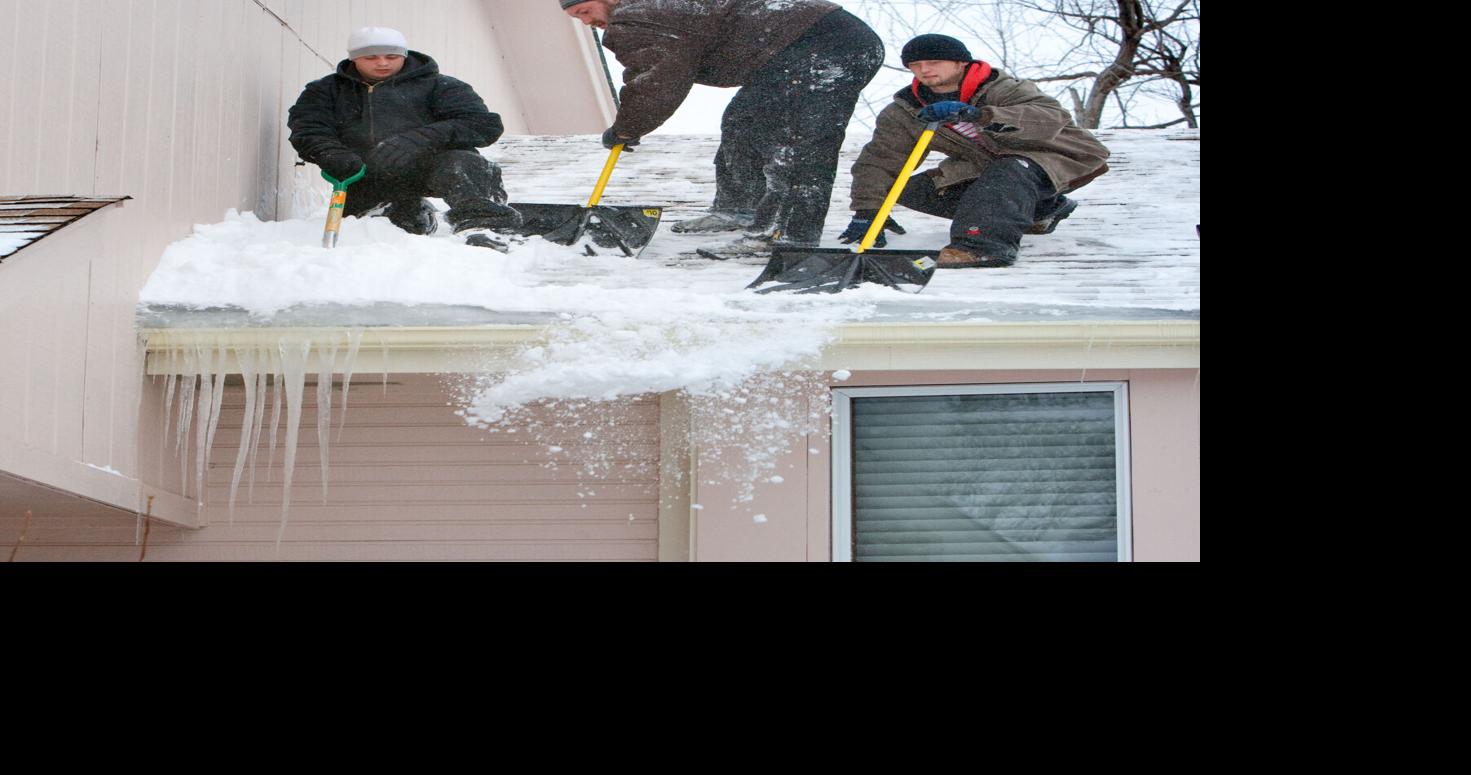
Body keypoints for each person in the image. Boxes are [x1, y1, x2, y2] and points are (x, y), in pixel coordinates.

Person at [562, 0, 884, 258]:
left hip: (825, 44)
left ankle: (781, 234)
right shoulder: (652, 10)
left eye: (585, 11)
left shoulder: (634, 18)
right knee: (743, 120)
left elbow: (656, 81)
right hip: (805, 44)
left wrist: (625, 128)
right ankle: (739, 208)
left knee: (793, 139)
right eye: (578, 18)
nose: (586, 22)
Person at [845, 34, 1111, 268]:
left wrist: (980, 115)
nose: (924, 70)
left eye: (934, 62)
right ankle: (1041, 210)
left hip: (1052, 156)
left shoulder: (1002, 87)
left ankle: (981, 247)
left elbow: (1051, 118)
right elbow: (880, 159)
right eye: (915, 65)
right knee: (909, 189)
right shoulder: (906, 110)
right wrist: (867, 210)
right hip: (986, 166)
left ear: (961, 62)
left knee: (1008, 171)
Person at [287, 27, 522, 249]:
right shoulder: (325, 91)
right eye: (371, 57)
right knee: (375, 230)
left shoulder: (441, 86)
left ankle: (485, 225)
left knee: (461, 164)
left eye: (391, 56)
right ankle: (412, 214)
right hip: (365, 172)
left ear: (404, 55)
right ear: (354, 58)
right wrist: (331, 153)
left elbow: (484, 124)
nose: (382, 63)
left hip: (432, 167)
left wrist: (419, 139)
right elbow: (308, 128)